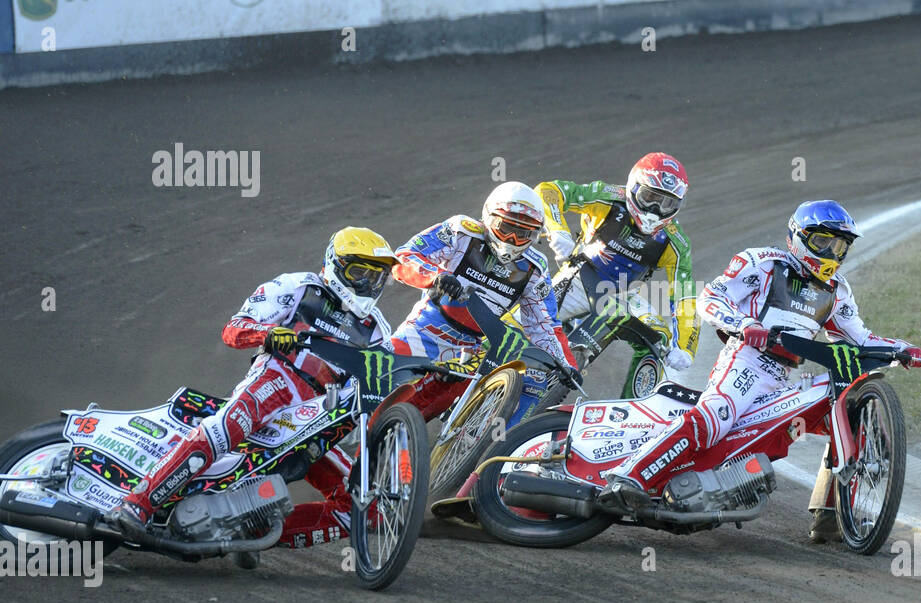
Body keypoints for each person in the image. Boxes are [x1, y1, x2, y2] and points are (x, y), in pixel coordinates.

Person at [604, 200, 921, 543]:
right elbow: (711, 297)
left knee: (845, 407)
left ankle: (830, 516)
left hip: (781, 378)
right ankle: (629, 478)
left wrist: (901, 349)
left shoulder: (837, 292)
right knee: (715, 418)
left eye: (840, 246)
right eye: (823, 242)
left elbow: (861, 338)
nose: (832, 253)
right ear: (798, 237)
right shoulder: (762, 262)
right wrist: (743, 323)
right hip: (746, 360)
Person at [107, 227, 399, 549]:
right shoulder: (298, 287)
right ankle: (138, 503)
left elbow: (379, 387)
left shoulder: (377, 331)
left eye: (377, 277)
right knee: (225, 427)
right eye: (361, 273)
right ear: (335, 264)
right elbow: (234, 329)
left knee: (365, 508)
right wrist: (268, 333)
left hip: (317, 416)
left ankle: (249, 530)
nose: (368, 285)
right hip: (277, 380)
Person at [389, 181, 580, 423]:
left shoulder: (535, 267)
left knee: (534, 380)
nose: (512, 239)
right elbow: (404, 256)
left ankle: (495, 449)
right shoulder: (461, 231)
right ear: (489, 217)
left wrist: (568, 365)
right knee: (377, 376)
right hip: (426, 328)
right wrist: (434, 276)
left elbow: (545, 324)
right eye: (505, 227)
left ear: (534, 235)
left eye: (523, 234)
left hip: (474, 347)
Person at [535, 152, 698, 395]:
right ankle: (479, 358)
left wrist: (685, 347)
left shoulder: (675, 242)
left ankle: (633, 410)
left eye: (667, 204)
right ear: (634, 187)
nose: (655, 209)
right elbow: (548, 191)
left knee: (660, 340)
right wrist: (557, 230)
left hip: (624, 295)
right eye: (650, 197)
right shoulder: (608, 197)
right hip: (580, 276)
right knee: (523, 319)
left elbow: (685, 296)